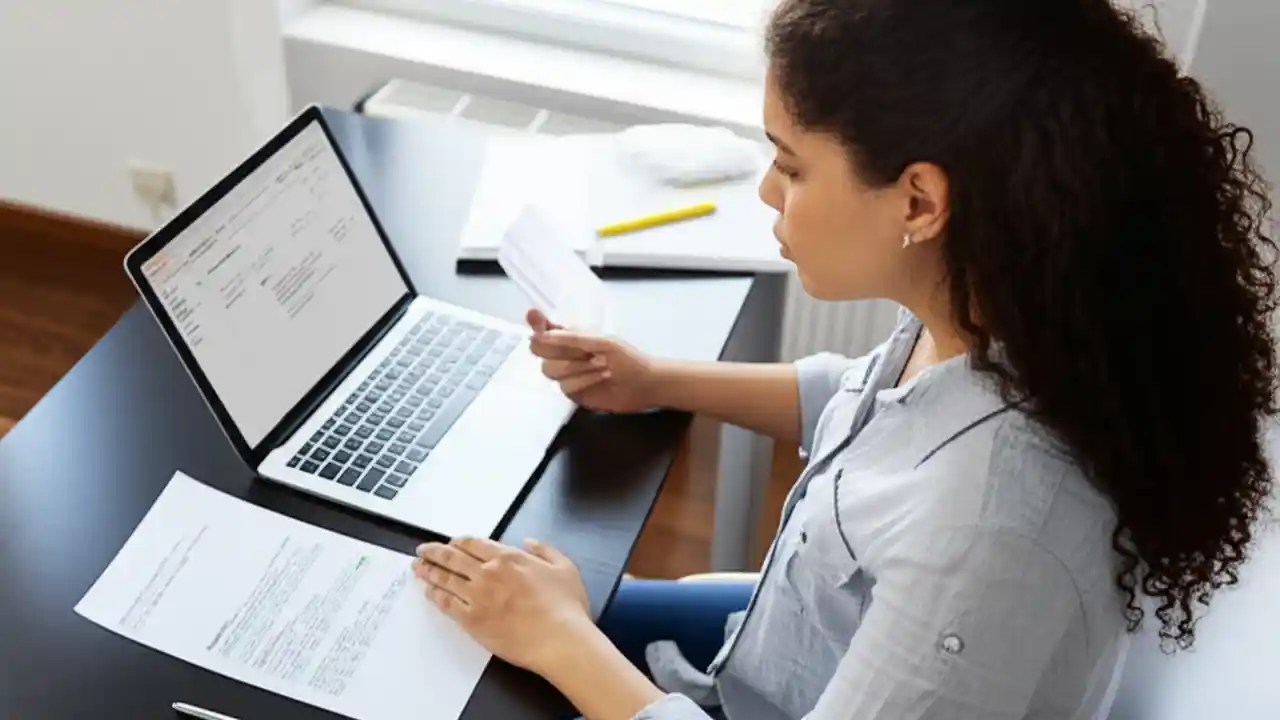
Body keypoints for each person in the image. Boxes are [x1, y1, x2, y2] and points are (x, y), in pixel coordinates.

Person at [409, 0, 1279, 717]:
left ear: (919, 200)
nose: (766, 192)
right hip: (775, 652)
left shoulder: (989, 535)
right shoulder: (999, 324)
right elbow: (862, 403)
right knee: (473, 609)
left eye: (791, 167)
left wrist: (562, 638)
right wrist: (653, 379)